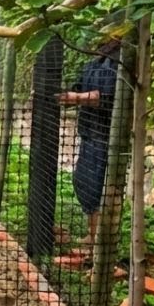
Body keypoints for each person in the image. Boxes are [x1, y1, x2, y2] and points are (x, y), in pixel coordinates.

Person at [57, 39, 121, 259]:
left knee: (98, 188)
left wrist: (76, 98)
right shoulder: (96, 62)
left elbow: (107, 97)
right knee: (84, 182)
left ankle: (98, 244)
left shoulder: (119, 62)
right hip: (89, 133)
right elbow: (80, 86)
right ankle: (91, 235)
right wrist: (68, 93)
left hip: (107, 138)